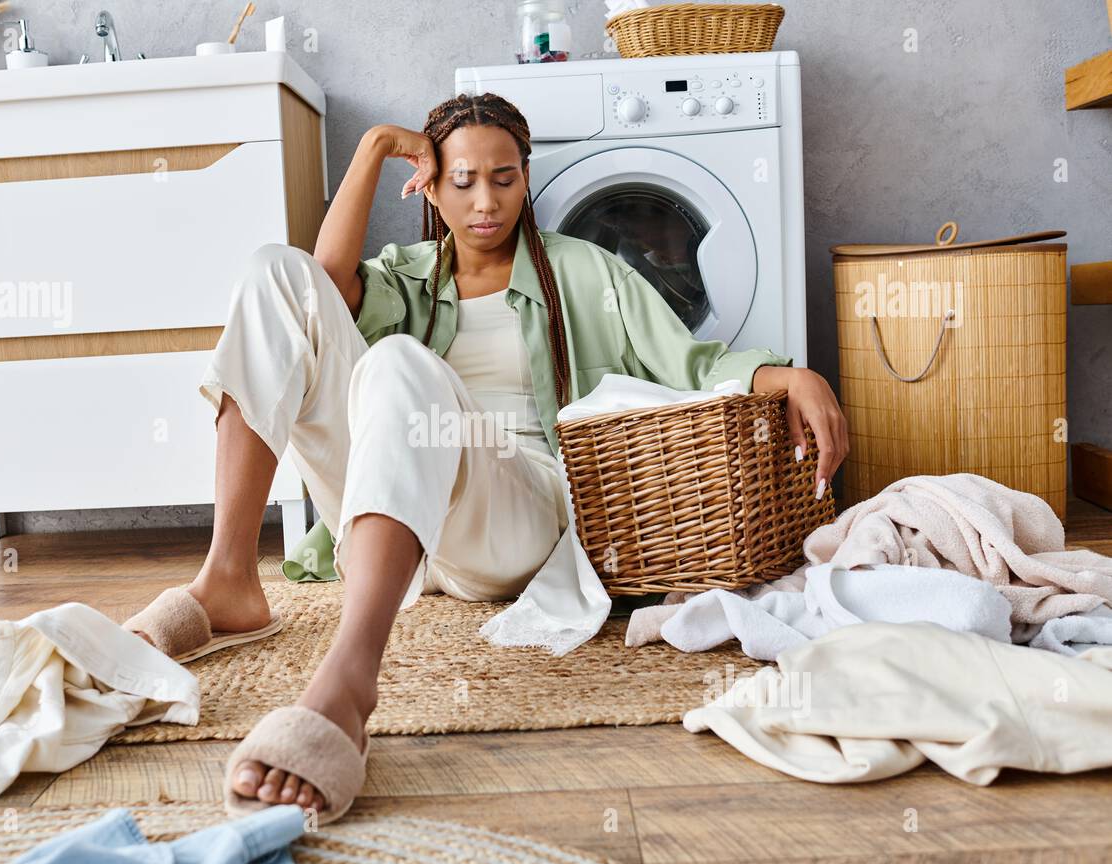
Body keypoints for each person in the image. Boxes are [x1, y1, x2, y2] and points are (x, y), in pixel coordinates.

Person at [123, 92, 850, 822]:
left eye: (504, 177)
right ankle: (229, 580)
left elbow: (689, 364)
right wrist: (375, 145)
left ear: (526, 178)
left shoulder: (583, 270)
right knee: (276, 272)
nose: (485, 201)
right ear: (430, 188)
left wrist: (788, 373)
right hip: (391, 502)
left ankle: (347, 683)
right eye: (463, 180)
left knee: (400, 363)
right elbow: (324, 286)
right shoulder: (407, 274)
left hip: (515, 511)